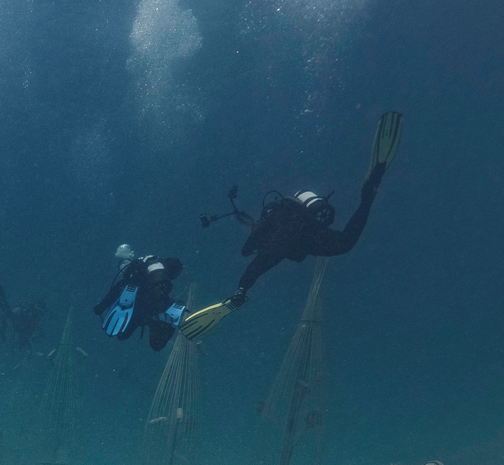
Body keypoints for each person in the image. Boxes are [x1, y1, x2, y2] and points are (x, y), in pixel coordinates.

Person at [181, 110, 403, 339]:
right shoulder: (295, 213)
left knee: (255, 263)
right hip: (308, 236)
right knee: (345, 242)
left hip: (287, 240)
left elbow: (252, 250)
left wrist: (247, 268)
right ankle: (367, 197)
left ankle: (238, 294)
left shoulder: (278, 216)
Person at [93, 245, 185, 351]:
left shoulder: (134, 275)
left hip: (140, 309)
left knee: (121, 335)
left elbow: (114, 293)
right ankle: (168, 311)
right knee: (156, 345)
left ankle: (156, 319)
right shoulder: (160, 266)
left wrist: (100, 308)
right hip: (159, 303)